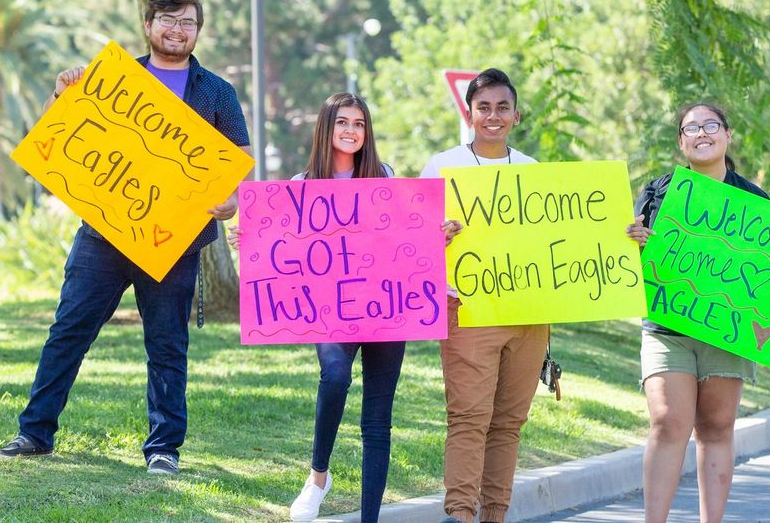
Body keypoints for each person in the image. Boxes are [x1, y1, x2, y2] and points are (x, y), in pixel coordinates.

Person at [0, 0, 250, 478]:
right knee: (68, 331)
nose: (177, 30)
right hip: (103, 235)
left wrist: (231, 202)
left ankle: (163, 448)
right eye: (168, 20)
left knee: (168, 346)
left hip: (175, 240)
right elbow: (52, 135)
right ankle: (34, 433)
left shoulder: (218, 92)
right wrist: (61, 94)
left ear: (198, 31)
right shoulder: (110, 80)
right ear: (148, 26)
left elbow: (235, 165)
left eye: (188, 23)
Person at [227, 93, 403, 522]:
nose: (351, 131)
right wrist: (251, 241)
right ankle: (318, 476)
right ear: (326, 128)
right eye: (343, 122)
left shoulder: (384, 176)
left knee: (377, 422)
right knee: (336, 375)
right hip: (332, 310)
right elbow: (283, 247)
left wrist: (438, 235)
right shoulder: (300, 186)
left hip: (385, 307)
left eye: (360, 124)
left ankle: (370, 518)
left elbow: (402, 235)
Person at [418, 68, 548, 523]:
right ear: (469, 112)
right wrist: (438, 238)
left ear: (516, 115)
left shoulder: (532, 171)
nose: (493, 116)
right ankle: (459, 514)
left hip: (528, 313)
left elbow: (555, 242)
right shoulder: (441, 165)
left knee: (509, 423)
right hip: (467, 309)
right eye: (484, 108)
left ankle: (494, 514)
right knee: (470, 418)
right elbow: (408, 243)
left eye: (502, 108)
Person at [625, 103, 765, 523]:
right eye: (691, 128)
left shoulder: (754, 200)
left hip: (727, 329)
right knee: (668, 421)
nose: (701, 134)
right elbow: (631, 262)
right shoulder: (658, 192)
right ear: (680, 140)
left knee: (716, 427)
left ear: (726, 134)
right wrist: (632, 239)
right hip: (668, 326)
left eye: (710, 126)